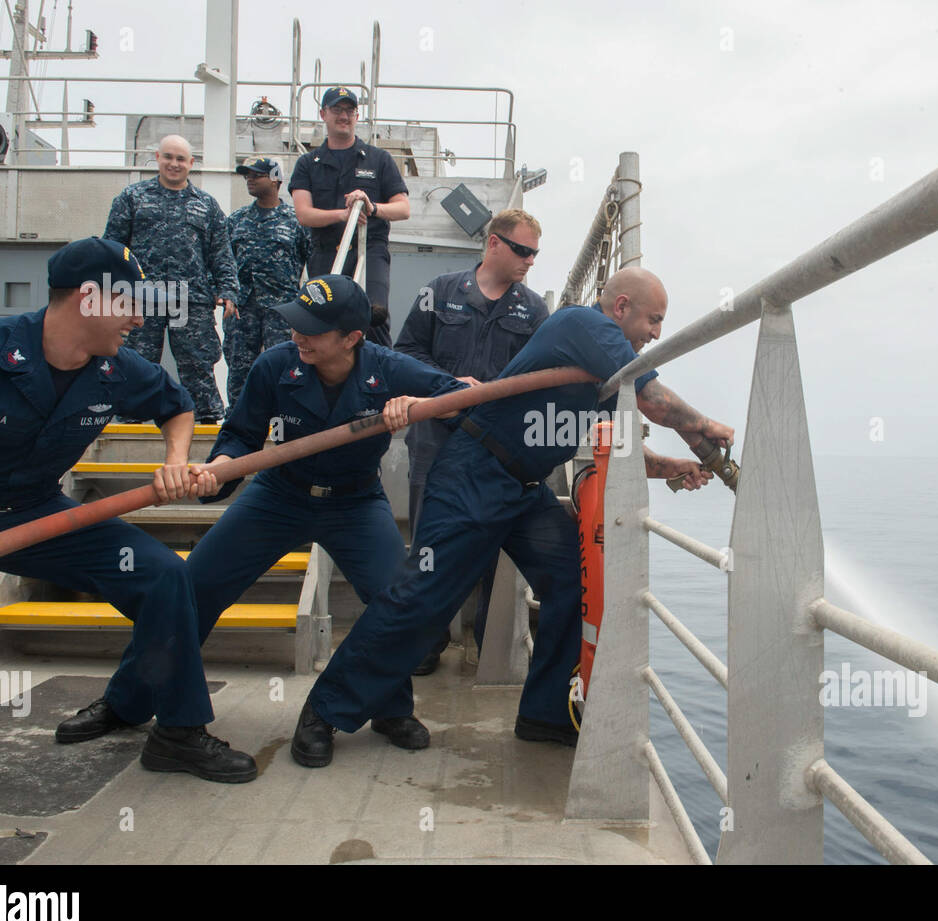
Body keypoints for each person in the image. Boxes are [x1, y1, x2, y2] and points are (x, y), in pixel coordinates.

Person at [290, 267, 732, 766]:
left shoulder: (605, 375)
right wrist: (702, 426)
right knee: (422, 596)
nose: (656, 334)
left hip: (523, 490)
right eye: (654, 320)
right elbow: (655, 400)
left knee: (571, 579)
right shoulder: (584, 326)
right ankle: (323, 712)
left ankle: (544, 715)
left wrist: (672, 465)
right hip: (473, 476)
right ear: (622, 306)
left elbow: (613, 441)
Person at [0, 237, 252, 783]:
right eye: (129, 305)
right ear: (89, 299)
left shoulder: (116, 369)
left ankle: (175, 731)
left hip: (36, 515)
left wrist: (174, 461)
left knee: (164, 577)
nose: (139, 321)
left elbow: (176, 406)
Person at [186, 275, 466, 753]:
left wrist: (420, 404)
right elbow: (239, 435)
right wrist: (220, 467)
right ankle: (131, 698)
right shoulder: (276, 365)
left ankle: (390, 708)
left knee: (395, 600)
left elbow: (461, 399)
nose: (298, 337)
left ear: (352, 338)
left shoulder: (388, 368)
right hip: (279, 493)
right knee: (193, 587)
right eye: (296, 325)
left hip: (354, 502)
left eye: (312, 331)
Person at [395, 208, 549, 675]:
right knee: (428, 545)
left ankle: (486, 642)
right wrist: (448, 384)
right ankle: (424, 643)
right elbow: (406, 353)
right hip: (435, 441)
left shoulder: (535, 309)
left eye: (535, 254)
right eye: (522, 251)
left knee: (487, 545)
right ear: (494, 243)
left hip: (492, 449)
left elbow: (539, 377)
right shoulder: (440, 292)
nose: (529, 261)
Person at [103, 133, 240, 422]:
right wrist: (112, 291)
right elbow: (113, 247)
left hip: (190, 299)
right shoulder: (132, 198)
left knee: (197, 362)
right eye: (168, 157)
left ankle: (206, 418)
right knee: (136, 361)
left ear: (191, 163)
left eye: (180, 159)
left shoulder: (206, 204)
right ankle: (132, 418)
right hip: (143, 296)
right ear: (158, 158)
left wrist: (228, 289)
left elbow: (220, 253)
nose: (174, 164)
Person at [288, 86, 410, 347]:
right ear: (323, 114)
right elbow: (304, 214)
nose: (344, 116)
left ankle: (380, 381)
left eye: (350, 111)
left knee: (373, 315)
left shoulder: (379, 160)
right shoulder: (308, 164)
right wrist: (343, 215)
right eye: (337, 110)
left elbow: (403, 208)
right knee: (323, 321)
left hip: (370, 250)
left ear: (357, 116)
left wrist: (371, 208)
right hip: (325, 252)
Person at [224, 156, 311, 405]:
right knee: (239, 368)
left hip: (282, 308)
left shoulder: (296, 221)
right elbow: (222, 261)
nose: (249, 180)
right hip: (243, 308)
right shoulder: (236, 220)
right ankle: (239, 420)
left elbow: (313, 262)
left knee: (285, 365)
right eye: (247, 175)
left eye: (256, 175)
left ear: (275, 179)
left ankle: (286, 416)